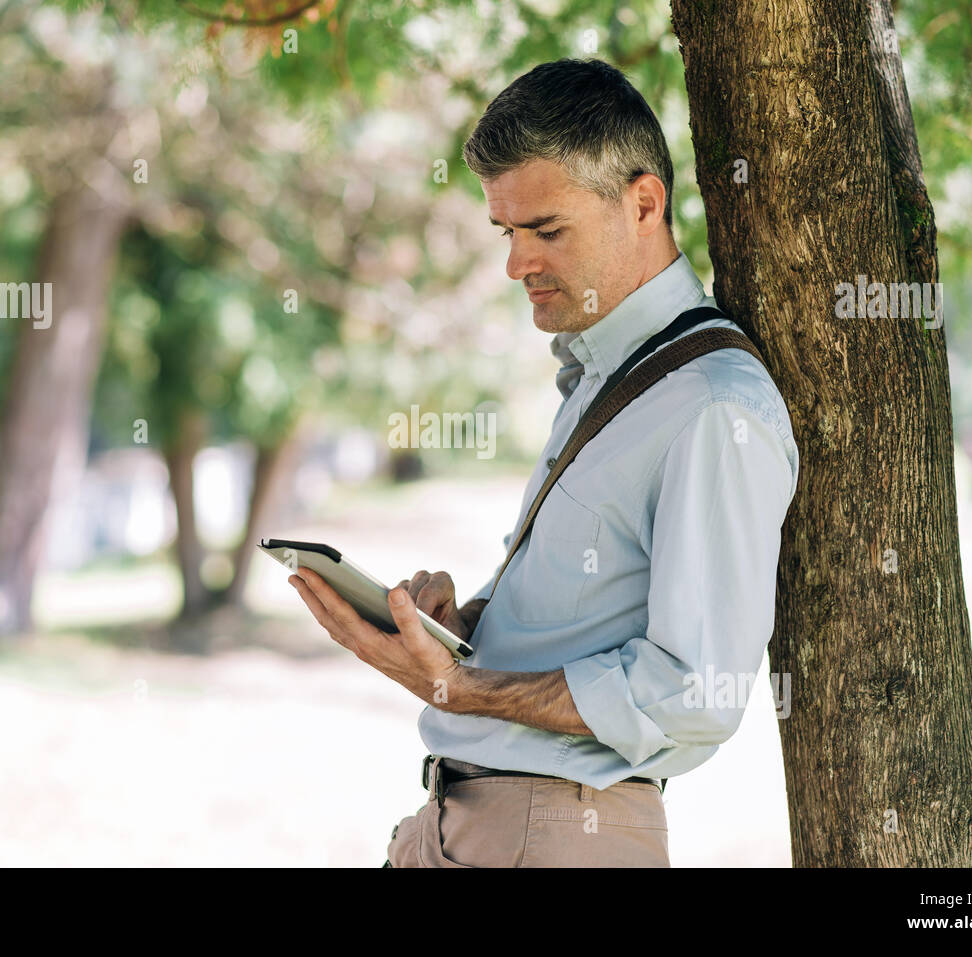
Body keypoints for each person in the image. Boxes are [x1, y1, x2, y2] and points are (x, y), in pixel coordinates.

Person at [288, 58, 799, 867]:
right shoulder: (612, 372)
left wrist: (460, 688)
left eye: (546, 230)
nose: (515, 263)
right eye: (508, 232)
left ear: (643, 203)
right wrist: (467, 633)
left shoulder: (712, 406)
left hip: (557, 835)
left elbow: (695, 694)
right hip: (479, 824)